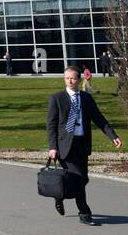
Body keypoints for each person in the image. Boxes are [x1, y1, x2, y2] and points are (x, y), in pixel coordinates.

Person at [47, 64, 122, 225]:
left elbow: (99, 118)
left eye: (73, 78)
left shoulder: (86, 98)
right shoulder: (57, 98)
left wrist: (113, 135)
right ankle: (85, 213)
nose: (70, 81)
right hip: (65, 146)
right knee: (79, 179)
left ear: (79, 79)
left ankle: (59, 195)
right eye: (67, 78)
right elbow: (51, 125)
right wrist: (52, 147)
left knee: (81, 179)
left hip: (82, 145)